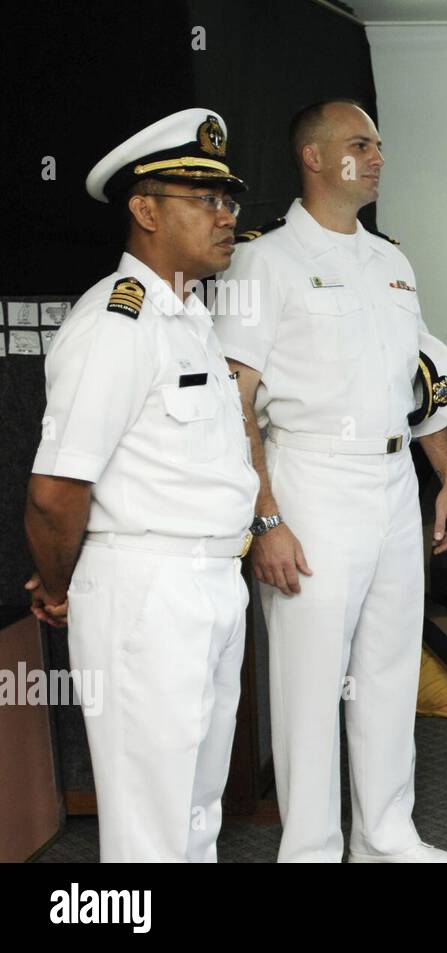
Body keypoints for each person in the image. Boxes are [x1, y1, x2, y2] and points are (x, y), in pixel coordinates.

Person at [214, 100, 447, 864]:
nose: (379, 156)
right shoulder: (265, 260)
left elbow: (417, 383)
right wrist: (264, 518)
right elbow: (236, 397)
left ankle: (386, 835)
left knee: (389, 667)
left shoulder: (393, 262)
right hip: (311, 481)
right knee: (309, 682)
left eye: (381, 144)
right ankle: (314, 849)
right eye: (361, 144)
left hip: (394, 480)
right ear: (315, 159)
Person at [25, 109, 258, 861]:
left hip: (215, 581)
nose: (227, 218)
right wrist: (59, 588)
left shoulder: (188, 315)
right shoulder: (114, 324)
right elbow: (56, 492)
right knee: (149, 826)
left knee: (195, 808)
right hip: (148, 589)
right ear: (145, 209)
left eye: (229, 201)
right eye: (206, 201)